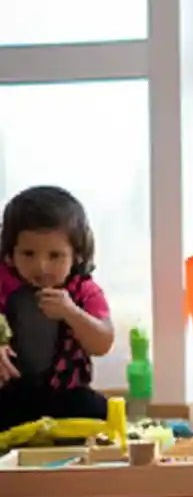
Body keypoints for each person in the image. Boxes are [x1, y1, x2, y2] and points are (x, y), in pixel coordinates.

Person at [0, 185, 115, 432]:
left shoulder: (85, 291)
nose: (41, 267)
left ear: (77, 256)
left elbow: (102, 343)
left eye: (55, 256)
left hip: (68, 396)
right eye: (28, 254)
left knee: (105, 416)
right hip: (10, 394)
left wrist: (71, 312)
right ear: (10, 254)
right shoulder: (3, 285)